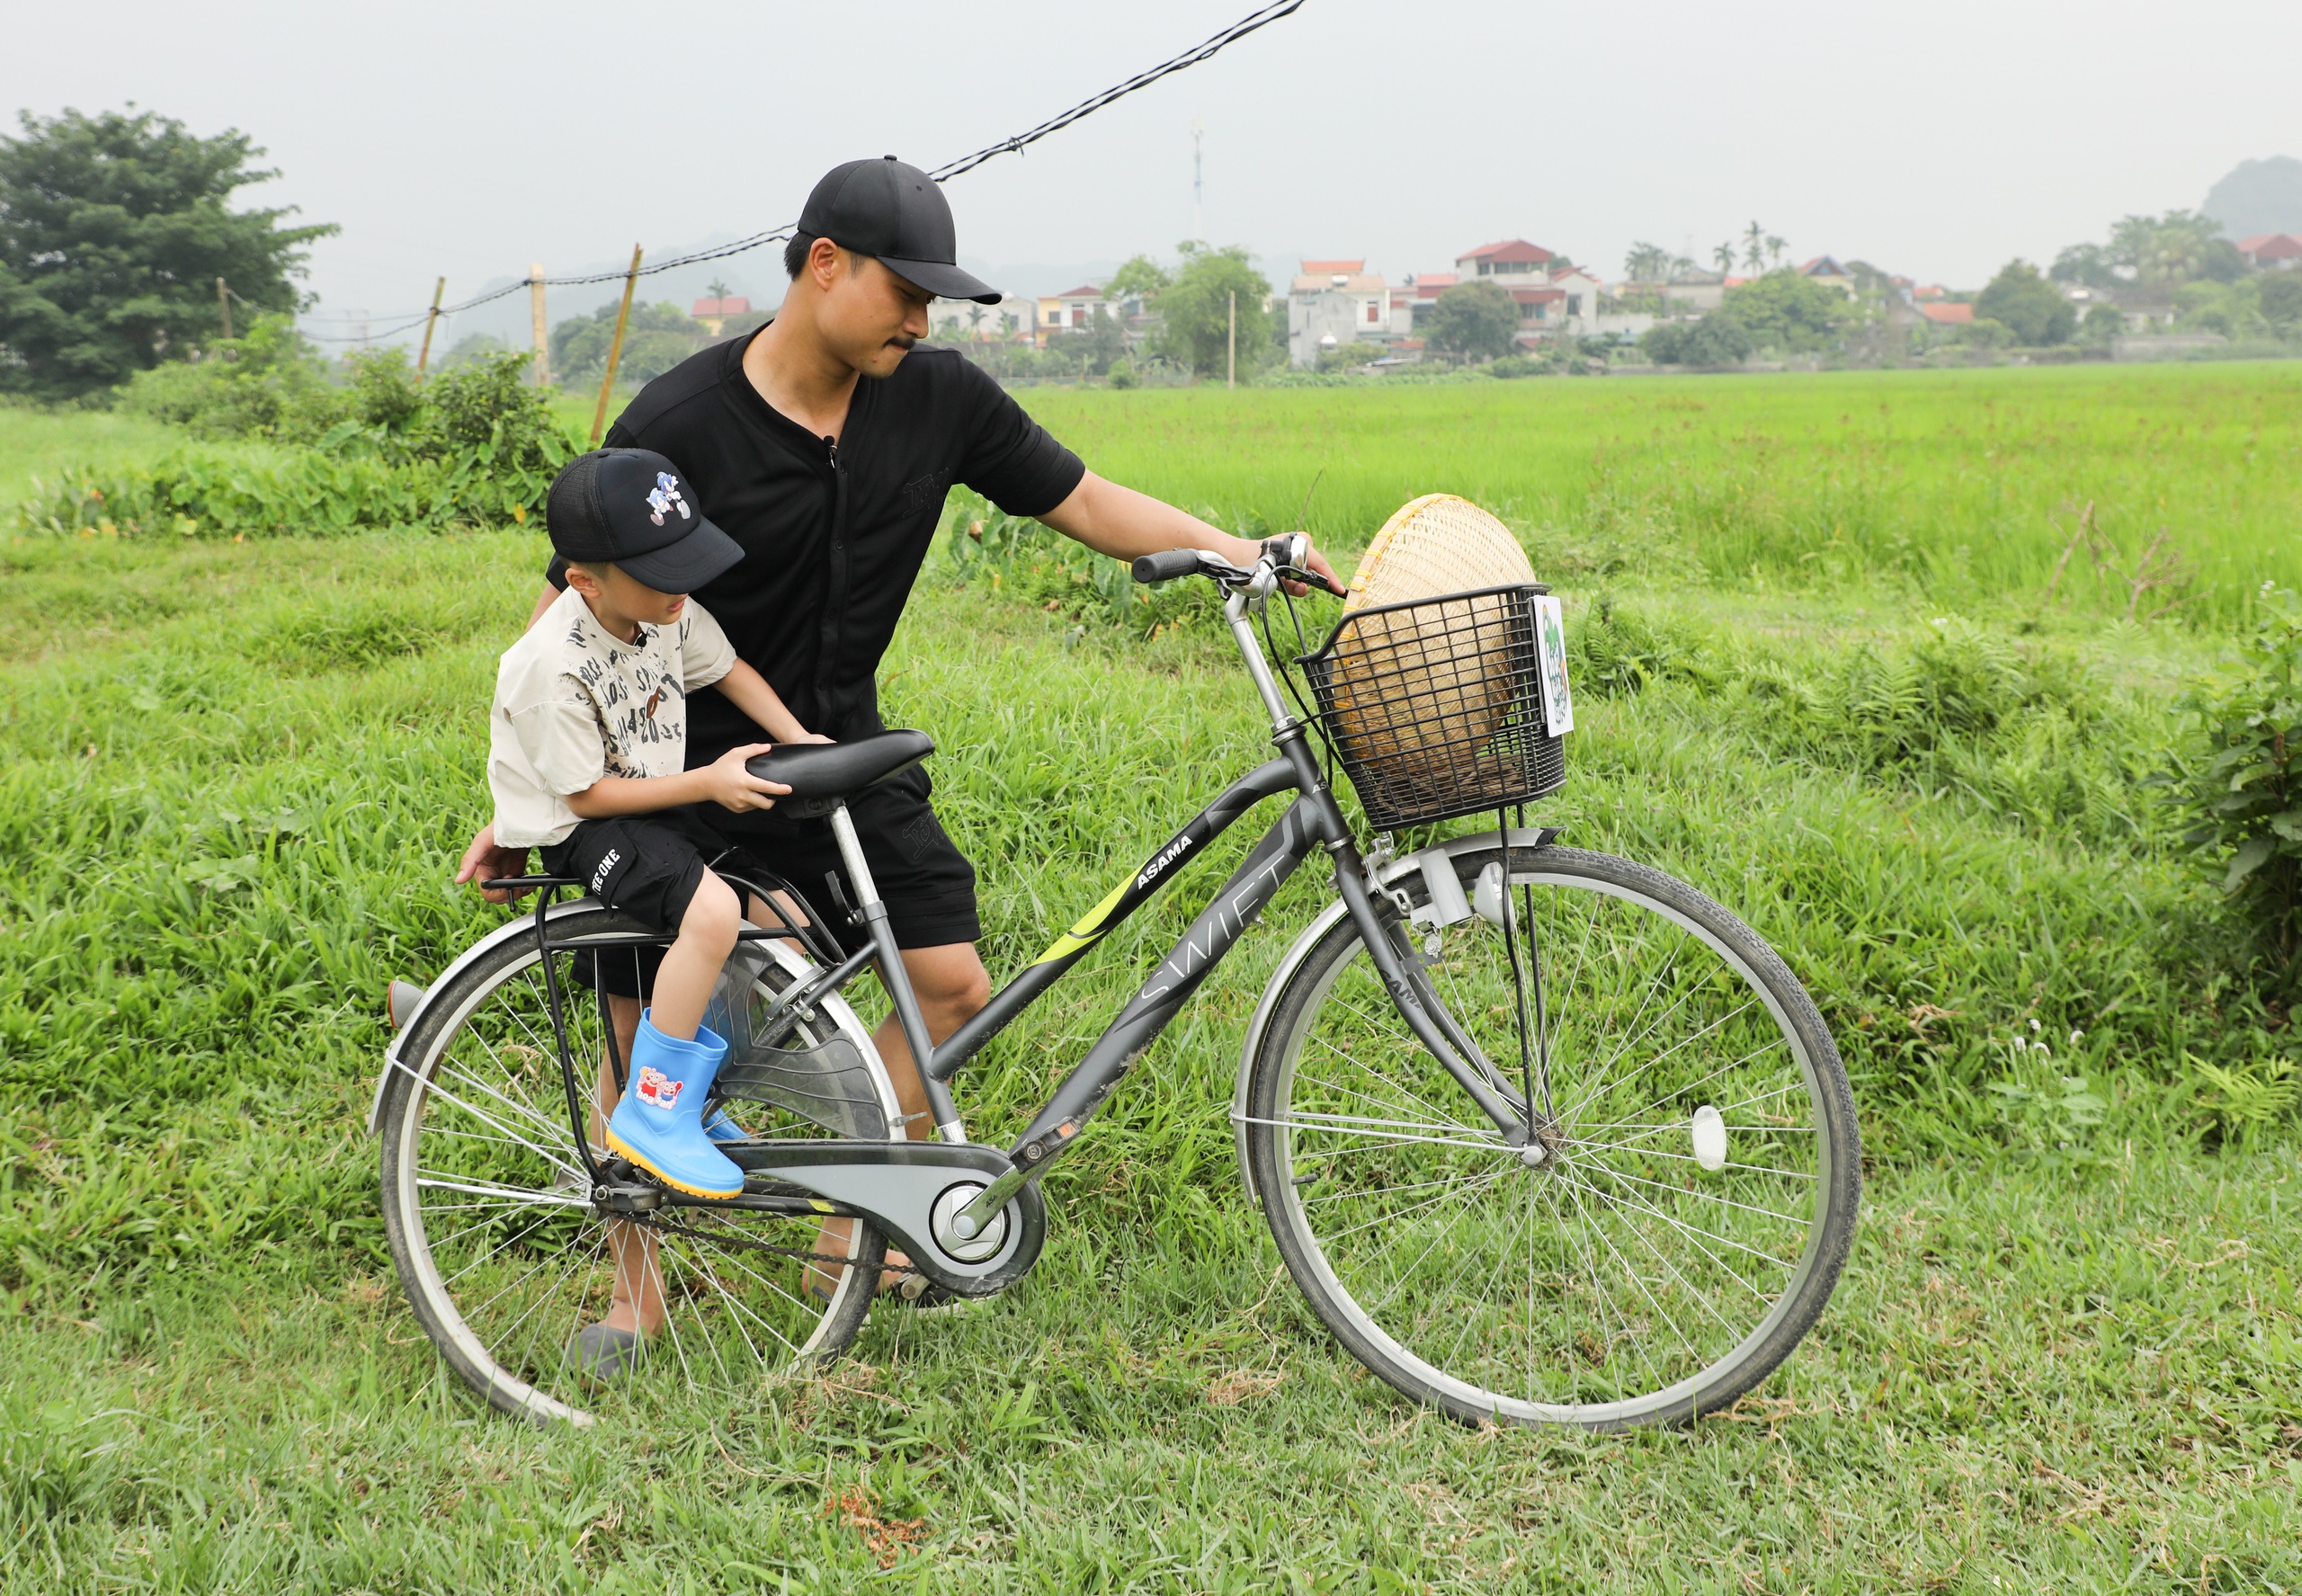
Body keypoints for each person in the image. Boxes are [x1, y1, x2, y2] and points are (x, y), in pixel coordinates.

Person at [458, 154, 1338, 1184]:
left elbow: (1089, 502)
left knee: (952, 983)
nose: (921, 322)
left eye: (932, 302)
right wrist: (535, 792)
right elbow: (572, 606)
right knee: (644, 1024)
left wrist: (1249, 552)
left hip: (842, 747)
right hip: (683, 772)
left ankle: (854, 1227)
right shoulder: (680, 421)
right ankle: (634, 1292)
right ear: (825, 264)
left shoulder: (940, 401)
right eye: (906, 293)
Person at [486, 444, 819, 1377]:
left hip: (660, 806)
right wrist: (709, 777)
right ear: (582, 581)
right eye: (659, 575)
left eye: (688, 567)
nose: (682, 592)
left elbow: (728, 666)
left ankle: (690, 1095)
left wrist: (797, 741)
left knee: (778, 920)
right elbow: (587, 797)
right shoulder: (547, 662)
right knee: (710, 918)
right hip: (589, 825)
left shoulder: (665, 609)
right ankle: (657, 1110)